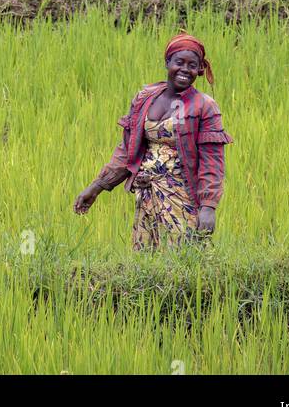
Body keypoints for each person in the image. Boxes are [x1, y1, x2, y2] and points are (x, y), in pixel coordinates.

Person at [73, 33, 232, 250]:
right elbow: (127, 151)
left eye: (192, 65)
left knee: (186, 261)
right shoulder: (145, 98)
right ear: (167, 63)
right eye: (179, 62)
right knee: (147, 265)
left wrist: (208, 207)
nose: (185, 70)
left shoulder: (205, 106)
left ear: (199, 70)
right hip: (146, 196)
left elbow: (212, 162)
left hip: (181, 199)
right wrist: (97, 187)